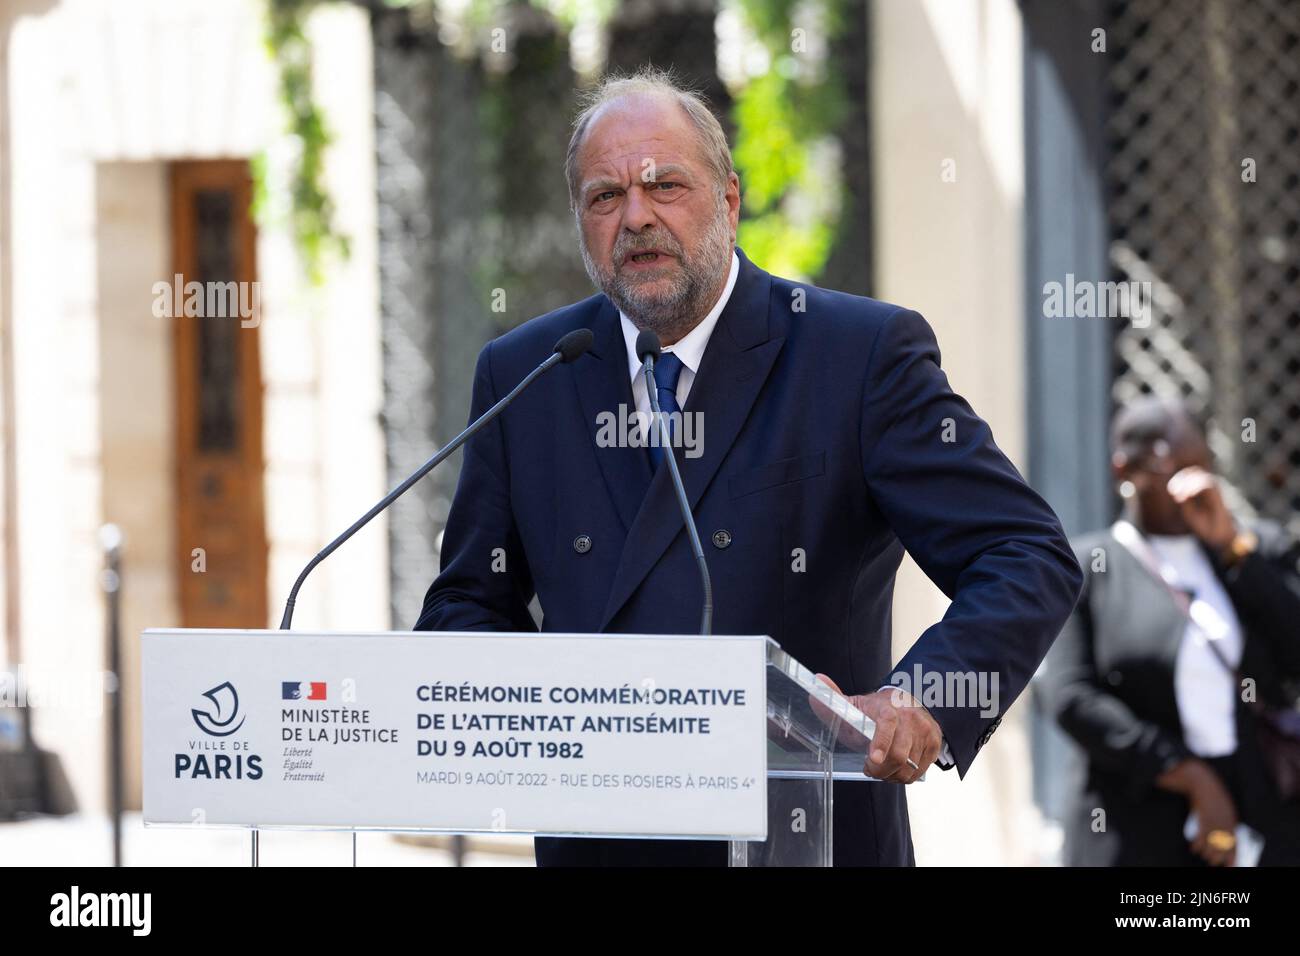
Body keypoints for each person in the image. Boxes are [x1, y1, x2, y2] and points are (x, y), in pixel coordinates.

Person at [415, 67, 1083, 866]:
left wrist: (922, 701)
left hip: (805, 838)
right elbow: (467, 603)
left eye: (666, 185)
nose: (636, 217)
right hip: (601, 845)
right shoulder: (529, 372)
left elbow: (1024, 553)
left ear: (728, 200)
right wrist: (541, 711)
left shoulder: (856, 354)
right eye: (605, 197)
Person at [1042, 396, 1300, 866]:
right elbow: (1069, 698)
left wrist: (1233, 547)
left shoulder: (1246, 550)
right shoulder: (1088, 570)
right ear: (1126, 471)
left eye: (1201, 466)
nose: (1191, 486)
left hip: (1256, 823)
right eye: (1172, 470)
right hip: (1132, 824)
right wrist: (1190, 776)